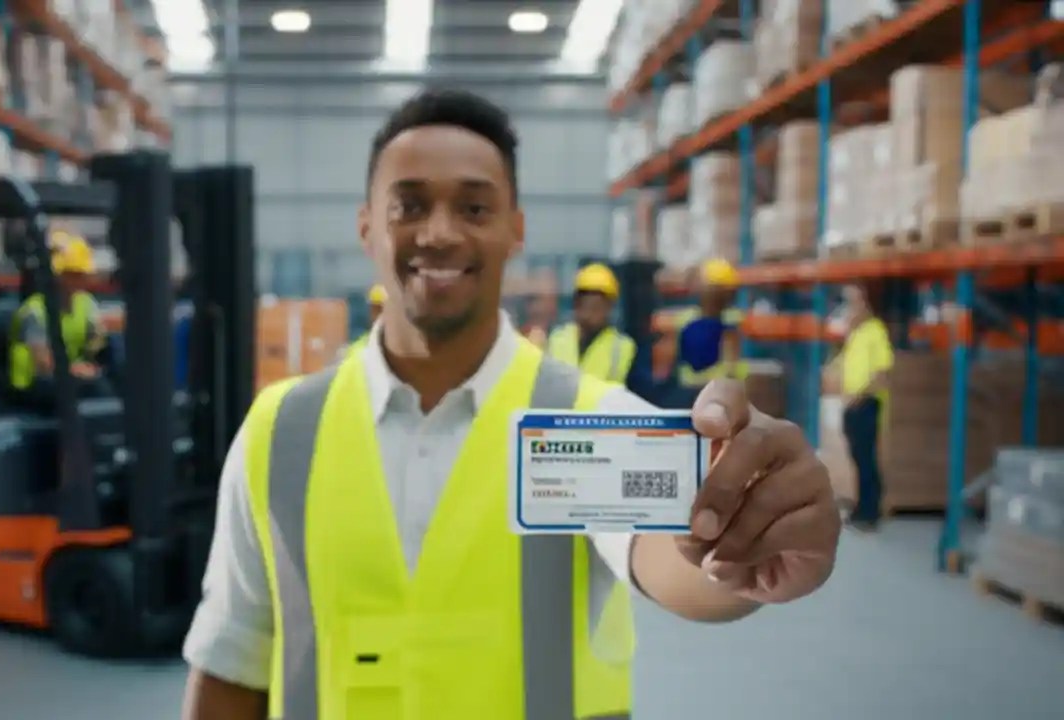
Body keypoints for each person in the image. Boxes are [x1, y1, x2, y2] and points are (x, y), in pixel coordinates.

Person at [180, 88, 840, 720]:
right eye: (408, 206)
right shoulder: (283, 432)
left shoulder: (585, 420)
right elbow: (233, 658)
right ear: (366, 227)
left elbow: (665, 555)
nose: (438, 234)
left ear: (514, 229)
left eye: (473, 208)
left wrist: (742, 558)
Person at [7, 231, 113, 410]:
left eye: (81, 274)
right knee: (90, 389)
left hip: (69, 378)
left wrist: (97, 351)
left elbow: (97, 343)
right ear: (57, 276)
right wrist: (76, 370)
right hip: (33, 384)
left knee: (106, 387)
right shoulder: (34, 312)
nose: (78, 281)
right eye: (71, 274)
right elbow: (43, 363)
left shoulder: (86, 305)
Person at [832, 282, 893, 531]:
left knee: (866, 458)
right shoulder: (854, 334)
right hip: (851, 403)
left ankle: (870, 512)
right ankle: (860, 509)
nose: (850, 309)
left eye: (854, 303)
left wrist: (860, 395)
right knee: (857, 457)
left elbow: (882, 370)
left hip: (866, 402)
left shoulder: (875, 331)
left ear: (865, 305)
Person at [663, 258, 747, 408]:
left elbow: (731, 361)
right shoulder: (686, 319)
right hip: (688, 389)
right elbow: (672, 356)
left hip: (717, 391)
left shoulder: (730, 321)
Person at [547, 263, 637, 384]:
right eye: (585, 301)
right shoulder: (557, 339)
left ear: (609, 307)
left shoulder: (622, 347)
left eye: (597, 304)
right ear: (576, 303)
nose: (589, 311)